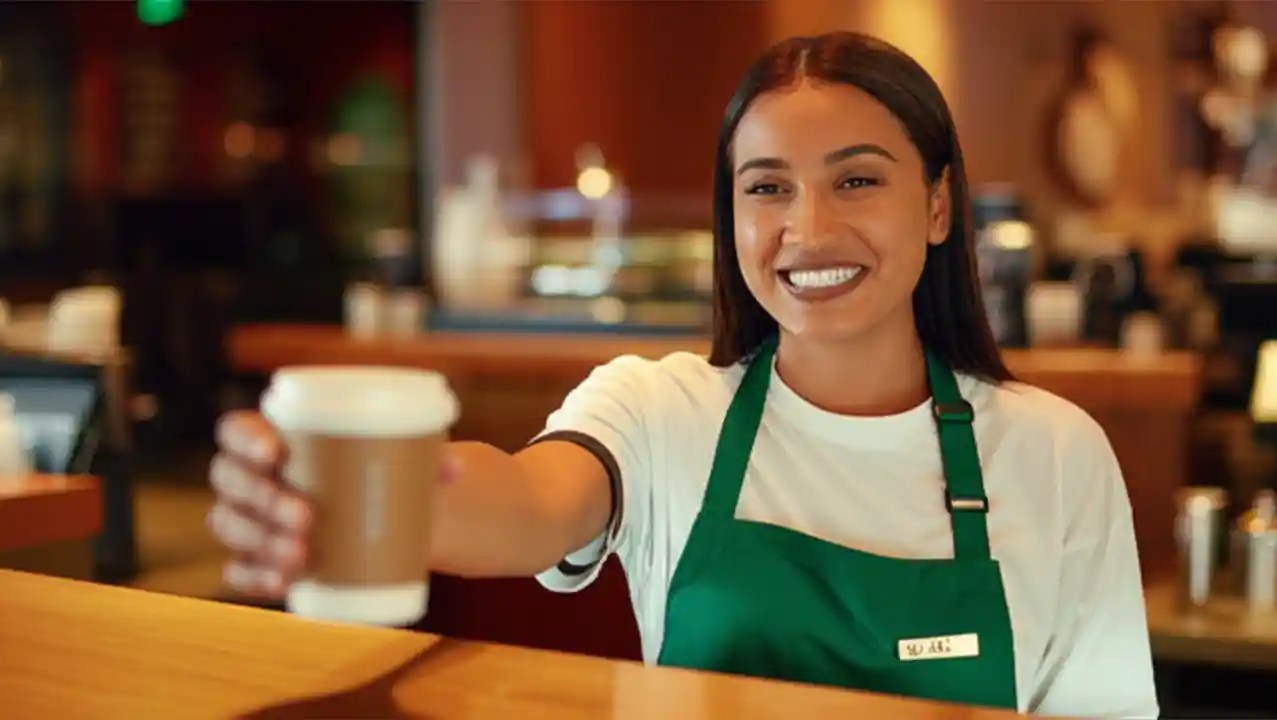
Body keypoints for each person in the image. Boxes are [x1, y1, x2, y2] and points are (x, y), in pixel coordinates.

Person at [208, 32, 1159, 718]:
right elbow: (525, 502)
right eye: (767, 187)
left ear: (940, 203)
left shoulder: (1054, 453)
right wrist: (349, 498)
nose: (809, 229)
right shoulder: (662, 412)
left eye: (858, 179)